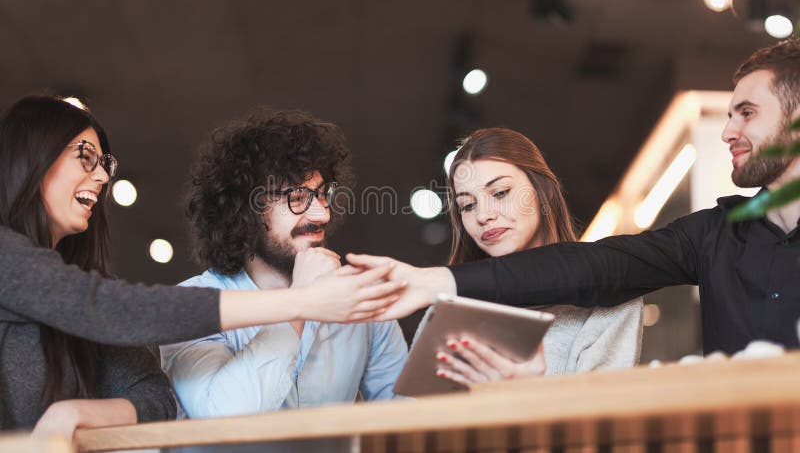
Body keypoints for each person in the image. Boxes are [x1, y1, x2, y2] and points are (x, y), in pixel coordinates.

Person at [349, 38, 800, 356]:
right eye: (468, 204)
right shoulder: (711, 235)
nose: (727, 131)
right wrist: (434, 282)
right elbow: (593, 266)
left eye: (747, 113)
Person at [0, 96, 405, 434]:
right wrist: (302, 303)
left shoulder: (364, 306)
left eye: (104, 163)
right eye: (296, 196)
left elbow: (155, 399)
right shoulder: (22, 265)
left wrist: (73, 413)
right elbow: (109, 308)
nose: (103, 177)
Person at [160, 110, 407, 418]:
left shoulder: (366, 300)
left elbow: (406, 419)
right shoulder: (191, 304)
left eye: (322, 194)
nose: (322, 214)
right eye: (297, 197)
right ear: (244, 212)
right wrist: (302, 301)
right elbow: (224, 416)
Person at [423, 128, 641, 387]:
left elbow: (603, 409)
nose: (483, 215)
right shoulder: (451, 311)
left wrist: (526, 392)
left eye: (500, 192)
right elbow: (416, 405)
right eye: (468, 205)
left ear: (543, 191)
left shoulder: (609, 294)